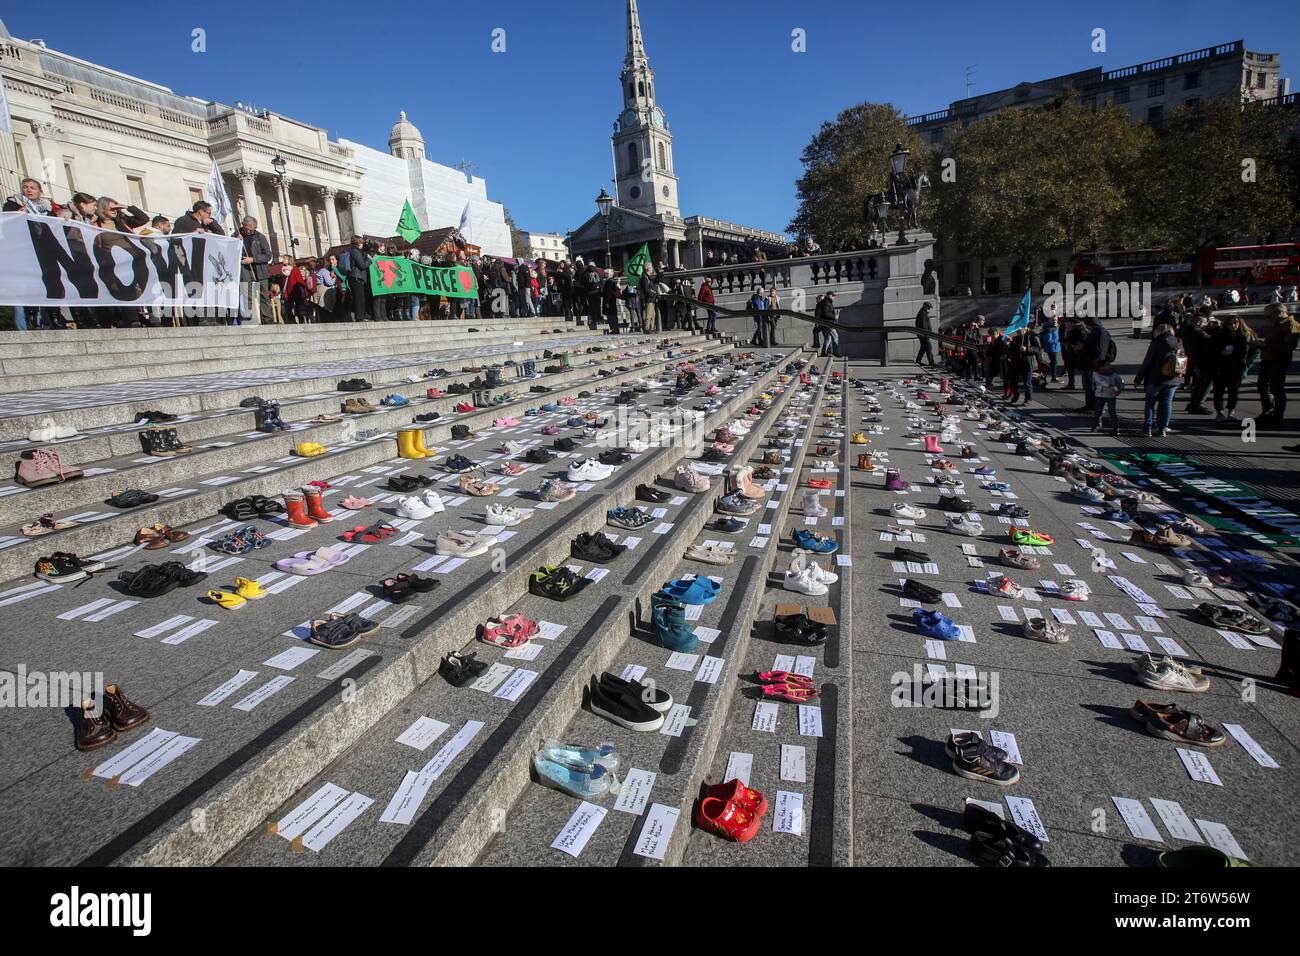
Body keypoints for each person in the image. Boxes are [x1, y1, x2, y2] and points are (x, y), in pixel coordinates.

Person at [1133, 322, 1183, 438]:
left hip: (1156, 378)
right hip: (1173, 378)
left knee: (1150, 404)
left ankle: (1147, 429)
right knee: (1166, 403)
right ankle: (1163, 429)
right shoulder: (1179, 342)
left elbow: (1147, 362)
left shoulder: (1157, 343)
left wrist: (1138, 379)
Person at [1256, 303, 1300, 426]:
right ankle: (1268, 412)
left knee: (1277, 390)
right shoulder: (1278, 324)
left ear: (1279, 312)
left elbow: (1289, 346)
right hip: (1268, 359)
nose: (1268, 319)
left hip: (1278, 362)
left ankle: (1277, 416)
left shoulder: (1292, 325)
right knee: (1263, 387)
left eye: (1269, 316)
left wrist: (1266, 345)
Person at [1210, 314, 1258, 422]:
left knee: (1233, 391)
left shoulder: (1245, 336)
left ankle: (1231, 412)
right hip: (1220, 367)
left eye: (1235, 323)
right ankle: (1220, 412)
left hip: (1236, 367)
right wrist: (1221, 353)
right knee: (1219, 391)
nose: (1233, 325)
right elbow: (1212, 350)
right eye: (1230, 323)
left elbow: (1253, 352)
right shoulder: (1219, 335)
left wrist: (1246, 364)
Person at [238, 217, 272, 324]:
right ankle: (249, 319)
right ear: (243, 225)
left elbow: (268, 255)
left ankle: (267, 319)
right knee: (246, 294)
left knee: (264, 295)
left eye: (252, 229)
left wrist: (253, 259)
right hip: (244, 269)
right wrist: (235, 241)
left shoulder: (260, 237)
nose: (249, 231)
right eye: (247, 229)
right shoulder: (236, 235)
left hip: (260, 269)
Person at [1076, 315, 1113, 413]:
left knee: (1091, 386)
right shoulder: (1105, 332)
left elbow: (1096, 349)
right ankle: (1092, 406)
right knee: (1093, 386)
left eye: (1087, 325)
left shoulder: (1097, 332)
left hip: (1092, 364)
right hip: (1099, 363)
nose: (1087, 327)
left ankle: (1093, 406)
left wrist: (1083, 348)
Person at [339, 235, 371, 321]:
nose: (363, 244)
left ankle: (361, 316)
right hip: (356, 277)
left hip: (356, 277)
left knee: (360, 298)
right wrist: (368, 260)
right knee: (359, 298)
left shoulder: (354, 251)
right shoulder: (355, 251)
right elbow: (362, 265)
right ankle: (359, 317)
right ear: (358, 243)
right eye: (361, 242)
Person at [1090, 358, 1124, 435]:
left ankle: (1116, 429)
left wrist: (1120, 389)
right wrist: (1111, 385)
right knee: (1098, 411)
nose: (1110, 365)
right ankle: (1097, 425)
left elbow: (1120, 382)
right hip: (1100, 395)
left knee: (1112, 412)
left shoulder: (1113, 374)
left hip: (1111, 395)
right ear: (1100, 367)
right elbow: (1101, 381)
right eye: (1107, 364)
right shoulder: (1096, 374)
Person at [915, 302, 936, 366]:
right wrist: (927, 333)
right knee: (929, 347)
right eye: (928, 307)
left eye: (929, 307)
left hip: (923, 334)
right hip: (924, 334)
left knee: (923, 347)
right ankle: (931, 362)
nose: (929, 308)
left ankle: (918, 360)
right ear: (924, 306)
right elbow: (924, 326)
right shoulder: (923, 314)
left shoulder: (923, 313)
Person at [601, 269, 620, 334]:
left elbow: (608, 293)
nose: (604, 274)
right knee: (613, 315)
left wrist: (607, 302)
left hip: (610, 301)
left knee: (611, 316)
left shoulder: (609, 282)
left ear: (608, 274)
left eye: (605, 273)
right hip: (612, 301)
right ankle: (615, 329)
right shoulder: (612, 281)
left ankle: (614, 329)